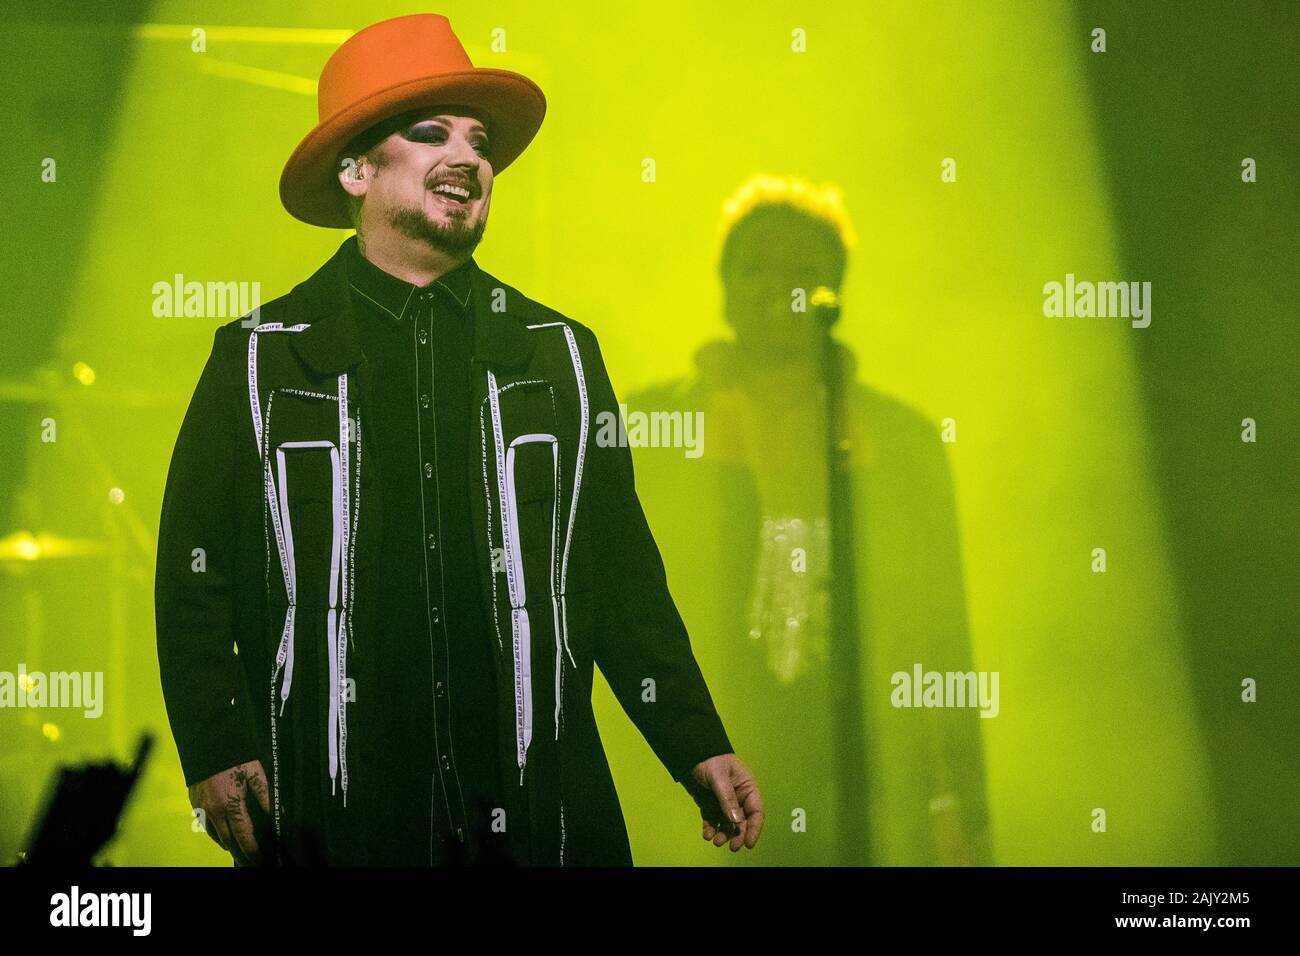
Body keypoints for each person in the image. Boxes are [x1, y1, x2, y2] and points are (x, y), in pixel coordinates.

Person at [154, 13, 763, 867]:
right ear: (357, 168)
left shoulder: (559, 355)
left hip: (535, 803)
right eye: (431, 132)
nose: (469, 157)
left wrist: (695, 741)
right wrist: (215, 747)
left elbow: (622, 576)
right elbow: (194, 574)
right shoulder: (260, 358)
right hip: (339, 803)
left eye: (480, 141)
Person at [625, 174, 992, 865]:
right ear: (724, 284)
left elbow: (944, 635)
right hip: (692, 777)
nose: (775, 287)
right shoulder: (650, 426)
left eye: (802, 272)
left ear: (836, 293)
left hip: (862, 780)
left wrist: (960, 811)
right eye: (755, 266)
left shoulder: (903, 442)